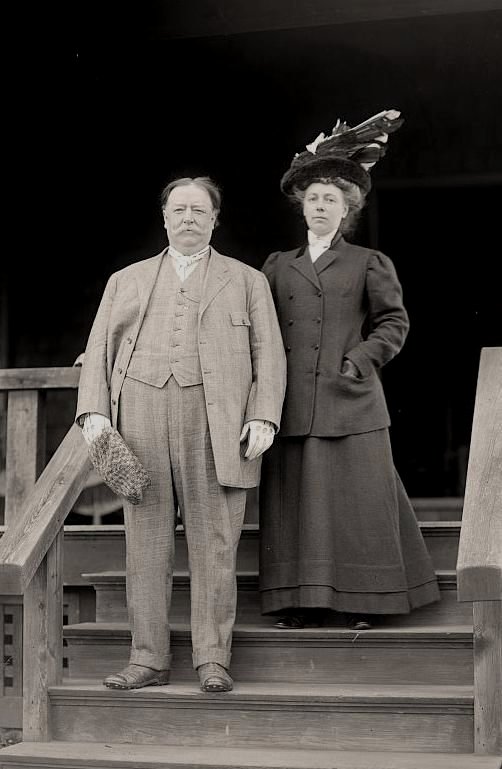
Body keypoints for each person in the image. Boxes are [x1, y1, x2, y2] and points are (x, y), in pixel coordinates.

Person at [76, 176, 286, 690]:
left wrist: (264, 415)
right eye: (179, 210)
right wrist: (93, 414)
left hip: (216, 422)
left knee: (215, 541)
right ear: (164, 218)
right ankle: (147, 657)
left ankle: (212, 657)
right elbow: (98, 350)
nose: (188, 218)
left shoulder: (245, 280)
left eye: (199, 210)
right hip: (140, 418)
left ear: (215, 219)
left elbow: (271, 355)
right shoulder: (125, 279)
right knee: (145, 543)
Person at [259, 110, 440, 630]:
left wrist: (358, 361)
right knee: (297, 508)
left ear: (347, 209)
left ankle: (370, 601)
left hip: (349, 397)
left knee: (359, 503)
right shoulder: (275, 266)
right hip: (292, 403)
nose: (320, 206)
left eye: (331, 200)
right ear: (302, 206)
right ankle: (300, 602)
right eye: (313, 198)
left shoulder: (368, 262)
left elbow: (393, 322)